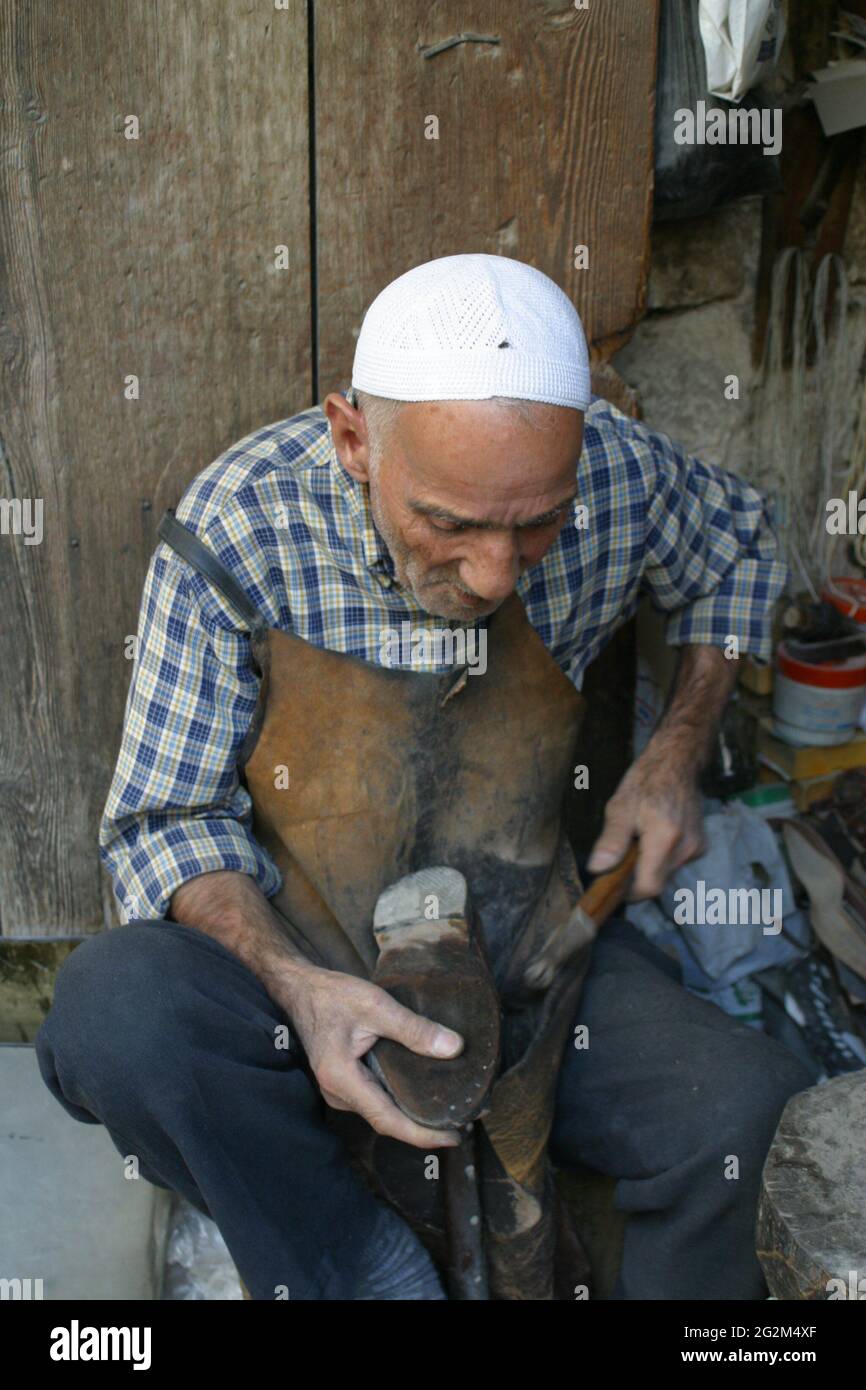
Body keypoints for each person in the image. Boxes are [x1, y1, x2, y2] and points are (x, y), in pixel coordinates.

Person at [37, 254, 813, 1299]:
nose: (494, 572)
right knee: (112, 1015)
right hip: (297, 962)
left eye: (534, 524)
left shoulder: (618, 474)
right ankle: (355, 1265)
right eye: (448, 522)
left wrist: (676, 750)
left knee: (744, 1106)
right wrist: (299, 993)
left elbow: (734, 545)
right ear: (354, 440)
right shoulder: (244, 523)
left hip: (522, 959)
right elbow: (164, 826)